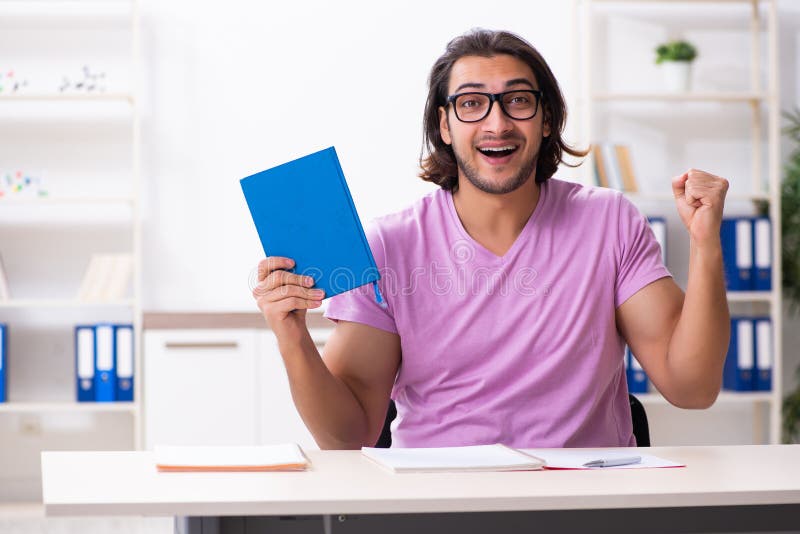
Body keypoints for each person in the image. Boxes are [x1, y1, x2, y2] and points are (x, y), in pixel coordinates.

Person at [252, 29, 730, 449]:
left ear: (546, 119)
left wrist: (706, 244)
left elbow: (692, 388)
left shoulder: (610, 222)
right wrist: (291, 335)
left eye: (518, 101)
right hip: (442, 501)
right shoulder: (388, 245)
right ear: (444, 125)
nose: (497, 123)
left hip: (583, 498)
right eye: (471, 103)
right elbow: (347, 436)